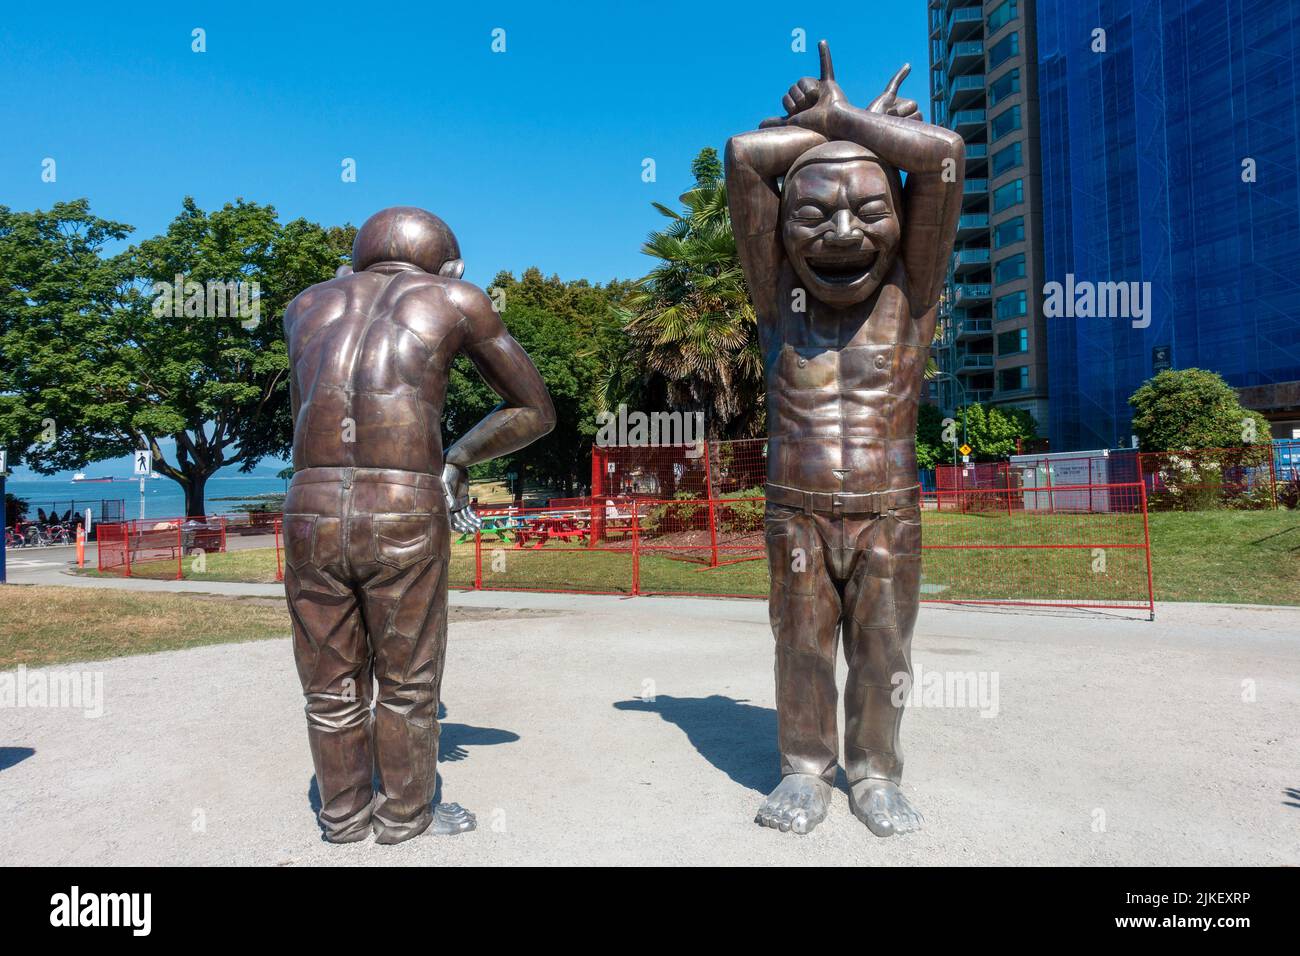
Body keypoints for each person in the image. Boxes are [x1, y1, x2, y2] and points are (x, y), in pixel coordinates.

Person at [725, 42, 964, 836]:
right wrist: (832, 129)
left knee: (883, 655)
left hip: (887, 507)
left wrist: (842, 122)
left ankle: (875, 774)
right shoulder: (778, 300)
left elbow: (946, 157)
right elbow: (744, 156)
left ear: (899, 222)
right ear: (783, 230)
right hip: (795, 506)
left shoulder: (912, 292)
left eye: (868, 212)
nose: (840, 233)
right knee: (798, 645)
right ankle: (803, 769)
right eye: (812, 214)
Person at [282, 206, 554, 843]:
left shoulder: (304, 306)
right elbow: (533, 409)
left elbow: (305, 411)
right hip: (403, 502)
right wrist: (456, 458)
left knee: (328, 677)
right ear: (452, 265)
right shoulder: (457, 297)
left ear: (354, 262)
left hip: (311, 504)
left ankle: (342, 814)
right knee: (407, 677)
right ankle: (406, 814)